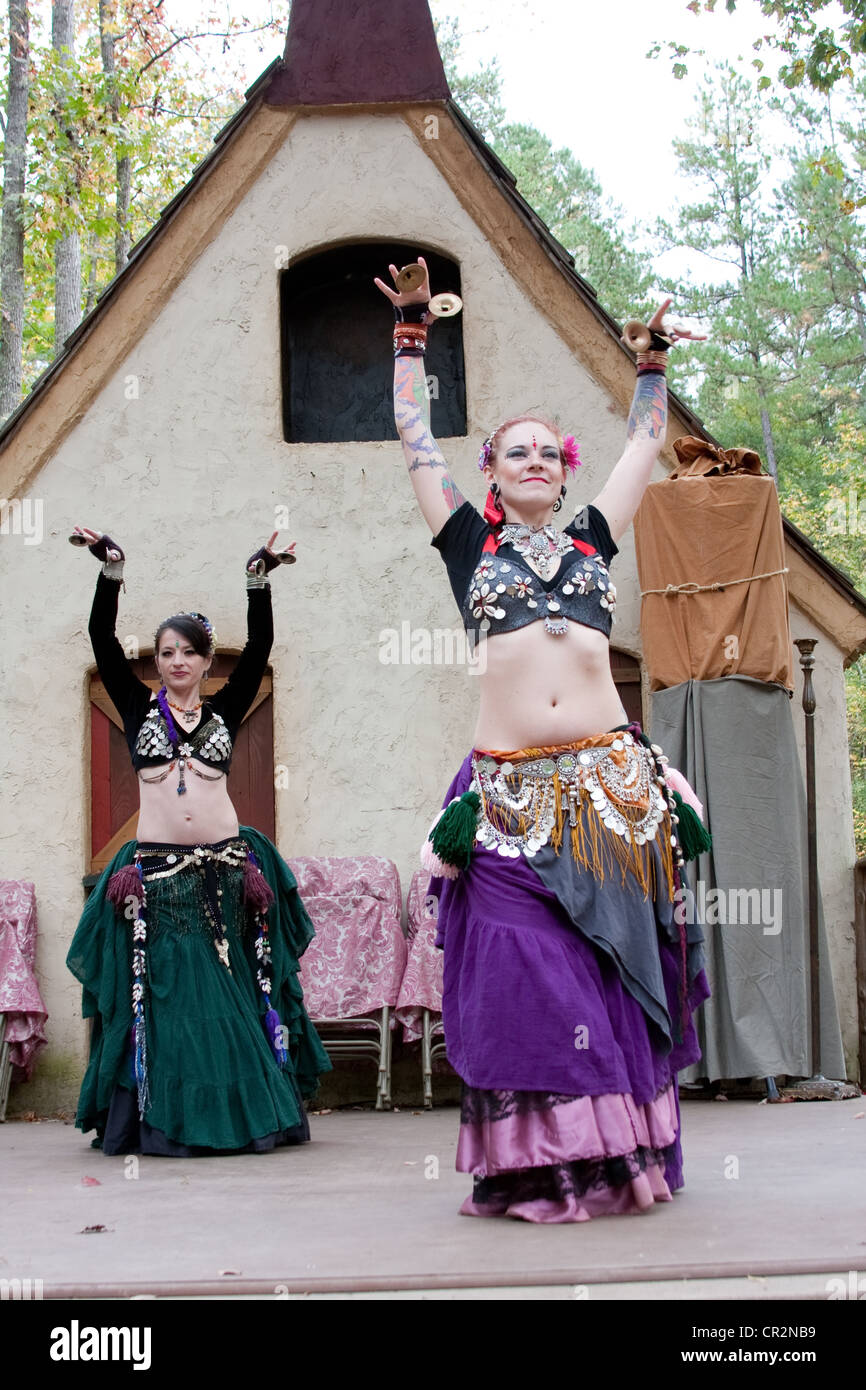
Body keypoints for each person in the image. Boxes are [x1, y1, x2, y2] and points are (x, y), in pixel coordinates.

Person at [375, 256, 711, 1221]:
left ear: (564, 471)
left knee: (608, 974)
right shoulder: (464, 547)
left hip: (611, 793)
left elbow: (644, 448)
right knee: (530, 978)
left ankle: (615, 1162)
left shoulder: (597, 540)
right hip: (509, 799)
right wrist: (410, 336)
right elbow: (411, 437)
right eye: (513, 452)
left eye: (546, 453)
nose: (532, 463)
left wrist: (649, 372)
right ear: (490, 471)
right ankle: (538, 1164)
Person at [66, 527, 331, 1155]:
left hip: (226, 870)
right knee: (169, 998)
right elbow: (102, 640)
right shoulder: (134, 707)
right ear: (156, 662)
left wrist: (257, 577)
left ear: (208, 661)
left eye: (189, 652)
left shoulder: (226, 709)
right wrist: (112, 570)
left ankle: (243, 1117)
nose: (177, 661)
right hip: (158, 877)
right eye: (166, 652)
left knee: (229, 990)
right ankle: (165, 1122)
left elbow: (262, 640)